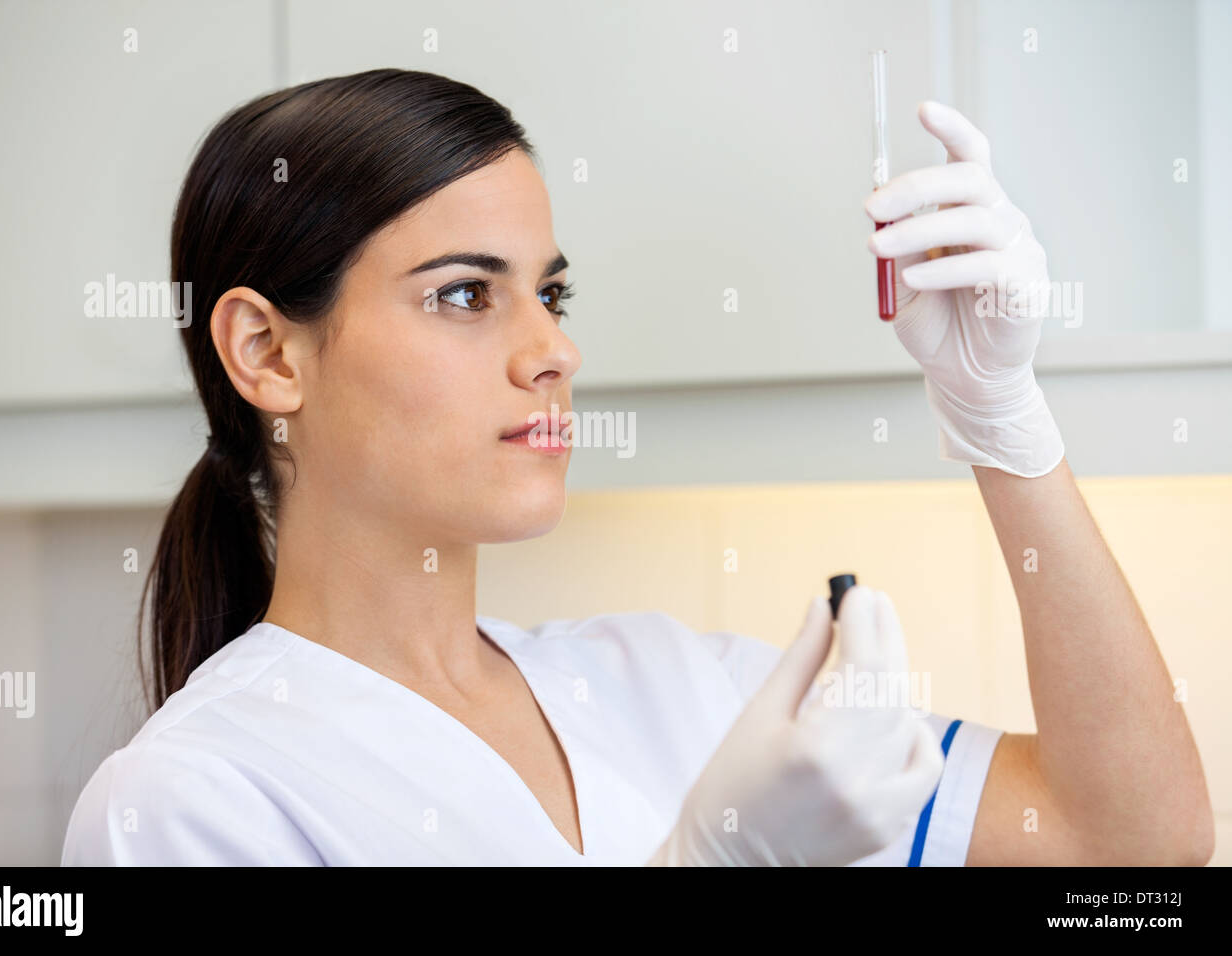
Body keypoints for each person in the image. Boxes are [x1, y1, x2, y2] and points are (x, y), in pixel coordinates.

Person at [61, 69, 1213, 867]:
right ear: (268, 352)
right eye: (465, 293)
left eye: (549, 292)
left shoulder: (673, 684)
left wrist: (999, 417)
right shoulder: (189, 802)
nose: (552, 348)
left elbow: (1126, 839)